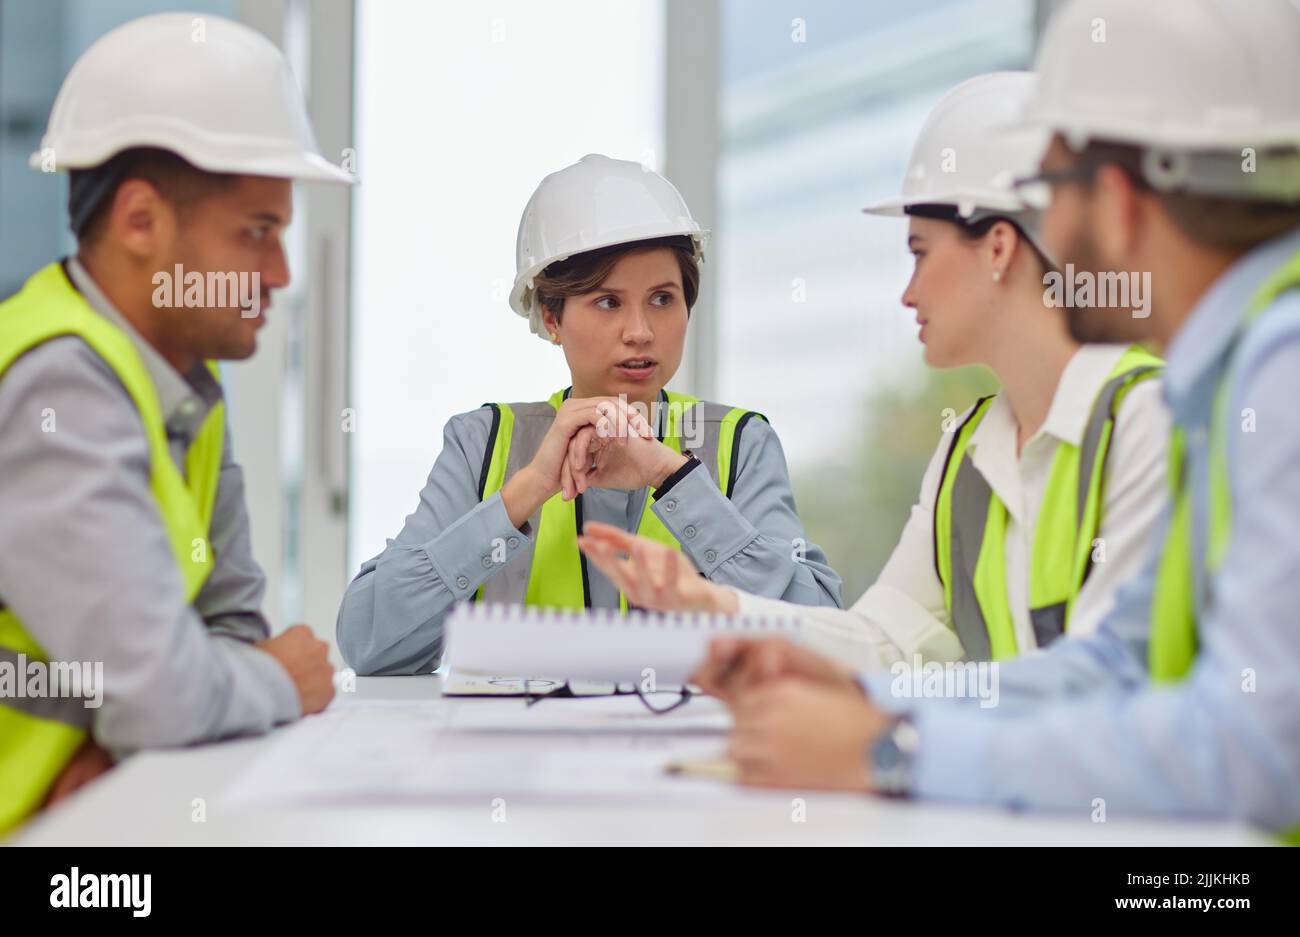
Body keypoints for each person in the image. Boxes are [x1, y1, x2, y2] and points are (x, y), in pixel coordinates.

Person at [672, 0, 1300, 838]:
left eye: (1049, 188)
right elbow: (1115, 667)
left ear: (1115, 200)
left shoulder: (1275, 378)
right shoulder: (1223, 384)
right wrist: (866, 697)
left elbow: (1261, 752)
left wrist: (893, 752)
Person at [580, 73, 1170, 671]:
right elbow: (884, 645)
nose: (908, 294)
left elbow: (1101, 687)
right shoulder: (970, 449)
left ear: (997, 247)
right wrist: (714, 604)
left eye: (920, 253)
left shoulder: (1150, 422)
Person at [0, 13, 352, 835]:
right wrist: (256, 684)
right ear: (140, 222)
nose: (282, 274)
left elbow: (226, 629)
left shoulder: (181, 380)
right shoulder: (59, 380)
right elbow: (165, 694)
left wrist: (148, 722)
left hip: (98, 817)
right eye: (257, 234)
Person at [336, 154, 843, 676]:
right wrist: (528, 487)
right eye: (607, 302)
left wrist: (673, 479)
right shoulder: (483, 443)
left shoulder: (740, 443)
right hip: (514, 754)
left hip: (685, 754)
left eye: (663, 299)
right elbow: (369, 643)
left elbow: (823, 641)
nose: (640, 331)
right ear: (552, 318)